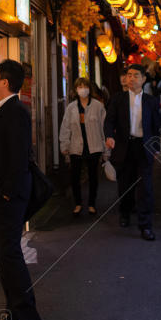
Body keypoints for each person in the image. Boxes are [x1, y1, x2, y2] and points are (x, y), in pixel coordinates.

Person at [0, 59, 43, 320]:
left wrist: (5, 192)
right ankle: (15, 313)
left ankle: (29, 318)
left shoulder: (15, 112)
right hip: (3, 196)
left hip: (9, 197)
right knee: (5, 255)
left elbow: (17, 158)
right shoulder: (8, 110)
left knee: (10, 254)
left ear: (5, 82)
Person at [104, 63, 161, 241]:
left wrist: (156, 147)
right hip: (124, 146)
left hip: (143, 146)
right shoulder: (117, 99)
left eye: (136, 75)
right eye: (128, 75)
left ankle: (145, 225)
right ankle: (125, 212)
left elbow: (156, 126)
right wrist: (109, 136)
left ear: (144, 79)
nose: (131, 78)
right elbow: (109, 121)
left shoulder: (151, 101)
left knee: (146, 187)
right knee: (124, 184)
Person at [58, 77, 106, 217]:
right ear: (75, 89)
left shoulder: (98, 106)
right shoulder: (71, 107)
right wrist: (64, 144)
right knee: (75, 176)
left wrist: (105, 148)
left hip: (94, 146)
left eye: (85, 86)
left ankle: (92, 204)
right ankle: (78, 203)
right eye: (79, 86)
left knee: (93, 177)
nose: (82, 89)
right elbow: (65, 127)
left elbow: (103, 127)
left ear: (89, 89)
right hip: (76, 147)